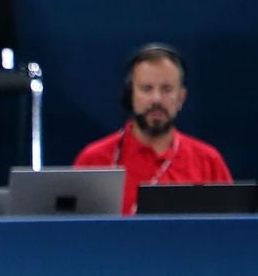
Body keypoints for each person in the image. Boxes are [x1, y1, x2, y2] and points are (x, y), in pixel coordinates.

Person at [74, 43, 232, 214]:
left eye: (166, 89)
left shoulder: (208, 162)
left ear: (181, 97)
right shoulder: (93, 161)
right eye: (146, 89)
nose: (156, 99)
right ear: (130, 95)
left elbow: (231, 231)